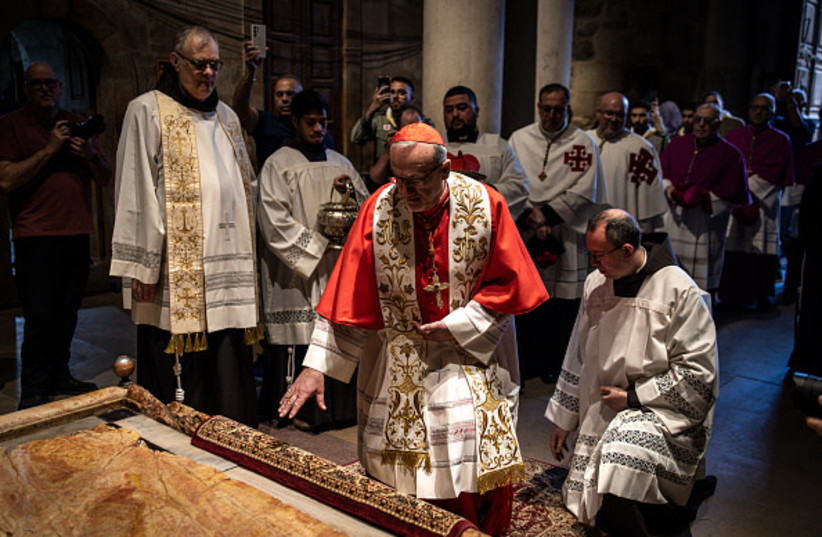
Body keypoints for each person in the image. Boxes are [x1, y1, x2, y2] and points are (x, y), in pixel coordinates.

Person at [279, 122, 549, 536]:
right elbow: (350, 293)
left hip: (470, 351)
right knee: (396, 456)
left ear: (445, 170)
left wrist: (458, 325)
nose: (405, 192)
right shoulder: (379, 208)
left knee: (467, 444)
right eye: (398, 179)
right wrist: (315, 366)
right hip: (398, 351)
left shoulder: (485, 205)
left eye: (417, 180)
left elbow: (509, 285)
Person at [110, 26, 261, 426]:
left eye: (214, 64)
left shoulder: (226, 116)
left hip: (229, 268)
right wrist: (142, 266)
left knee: (228, 357)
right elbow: (135, 187)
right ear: (176, 62)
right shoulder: (147, 109)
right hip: (177, 271)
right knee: (181, 366)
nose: (208, 73)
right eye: (199, 64)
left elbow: (244, 185)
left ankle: (233, 432)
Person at [545, 208, 718, 536]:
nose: (594, 265)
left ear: (626, 250)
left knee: (620, 461)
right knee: (587, 498)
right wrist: (564, 419)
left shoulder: (678, 290)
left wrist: (634, 397)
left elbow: (698, 373)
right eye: (590, 255)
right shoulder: (598, 282)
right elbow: (578, 351)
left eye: (599, 256)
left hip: (660, 412)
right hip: (603, 408)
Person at [0, 61, 112, 410]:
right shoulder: (10, 125)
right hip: (36, 235)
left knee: (67, 312)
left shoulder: (78, 124)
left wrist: (90, 155)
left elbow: (106, 179)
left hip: (77, 232)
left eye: (51, 83)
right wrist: (50, 148)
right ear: (26, 89)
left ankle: (60, 376)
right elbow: (6, 180)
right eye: (37, 84)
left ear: (61, 87)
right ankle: (34, 389)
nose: (45, 89)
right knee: (39, 315)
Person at [256, 90, 368, 429]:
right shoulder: (278, 163)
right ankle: (297, 410)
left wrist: (349, 193)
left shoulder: (340, 162)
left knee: (336, 328)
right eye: (311, 122)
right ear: (295, 122)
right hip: (296, 273)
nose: (318, 128)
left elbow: (363, 208)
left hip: (336, 266)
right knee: (299, 332)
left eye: (322, 122)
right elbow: (272, 220)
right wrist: (317, 244)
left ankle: (341, 410)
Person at [509, 83, 606, 384]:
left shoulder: (583, 142)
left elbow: (586, 188)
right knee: (526, 301)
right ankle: (528, 362)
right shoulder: (519, 138)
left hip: (566, 231)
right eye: (546, 108)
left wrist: (548, 214)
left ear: (568, 109)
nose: (551, 115)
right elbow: (513, 180)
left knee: (562, 306)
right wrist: (531, 217)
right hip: (527, 232)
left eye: (558, 109)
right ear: (538, 107)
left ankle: (555, 363)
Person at [660, 103, 750, 298]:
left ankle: (700, 319)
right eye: (697, 119)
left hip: (704, 224)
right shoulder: (678, 144)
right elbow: (662, 171)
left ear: (718, 125)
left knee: (700, 280)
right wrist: (668, 188)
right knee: (670, 273)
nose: (701, 125)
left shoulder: (730, 154)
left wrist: (703, 197)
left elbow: (732, 195)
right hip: (674, 220)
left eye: (708, 121)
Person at [720, 93, 794, 309]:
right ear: (749, 110)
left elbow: (779, 173)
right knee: (734, 251)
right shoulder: (735, 136)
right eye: (755, 107)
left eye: (765, 108)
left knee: (759, 253)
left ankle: (759, 295)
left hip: (763, 205)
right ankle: (731, 296)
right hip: (736, 205)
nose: (759, 112)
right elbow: (727, 166)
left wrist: (747, 184)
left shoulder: (781, 140)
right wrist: (740, 182)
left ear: (772, 113)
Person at [231, 41, 332, 170]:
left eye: (290, 94)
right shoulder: (265, 122)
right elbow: (240, 109)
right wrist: (250, 73)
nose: (285, 99)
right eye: (279, 94)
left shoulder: (317, 132)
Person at [442, 85, 529, 219]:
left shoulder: (498, 146)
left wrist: (483, 192)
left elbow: (519, 187)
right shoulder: (435, 145)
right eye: (449, 110)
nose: (455, 114)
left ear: (476, 110)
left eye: (462, 108)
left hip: (486, 222)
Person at [587, 91, 668, 233]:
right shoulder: (584, 142)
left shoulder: (640, 148)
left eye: (620, 115)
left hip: (621, 230)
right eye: (609, 113)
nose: (614, 119)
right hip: (585, 225)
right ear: (598, 113)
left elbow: (649, 198)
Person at [350, 75, 433, 161]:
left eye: (401, 92)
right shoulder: (380, 120)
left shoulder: (422, 122)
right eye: (392, 92)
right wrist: (372, 108)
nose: (395, 96)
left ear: (411, 98)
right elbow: (356, 138)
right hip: (385, 171)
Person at [368, 103, 423, 186]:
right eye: (407, 128)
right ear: (398, 129)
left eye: (416, 127)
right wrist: (388, 151)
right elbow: (376, 178)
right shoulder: (394, 147)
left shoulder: (428, 145)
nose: (412, 133)